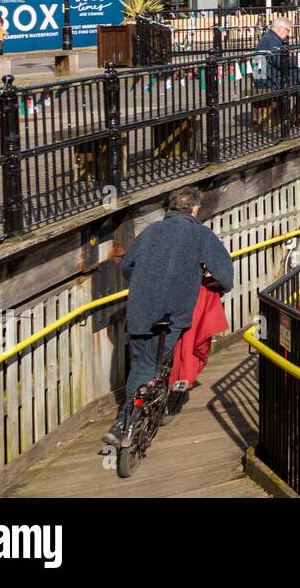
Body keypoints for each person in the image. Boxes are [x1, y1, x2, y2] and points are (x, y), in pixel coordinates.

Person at [104, 186, 233, 445]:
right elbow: (224, 274)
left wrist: (145, 281)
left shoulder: (151, 231)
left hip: (140, 307)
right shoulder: (200, 234)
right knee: (150, 364)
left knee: (140, 362)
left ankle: (133, 414)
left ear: (170, 208)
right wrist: (217, 286)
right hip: (173, 312)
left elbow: (128, 264)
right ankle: (124, 424)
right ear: (195, 209)